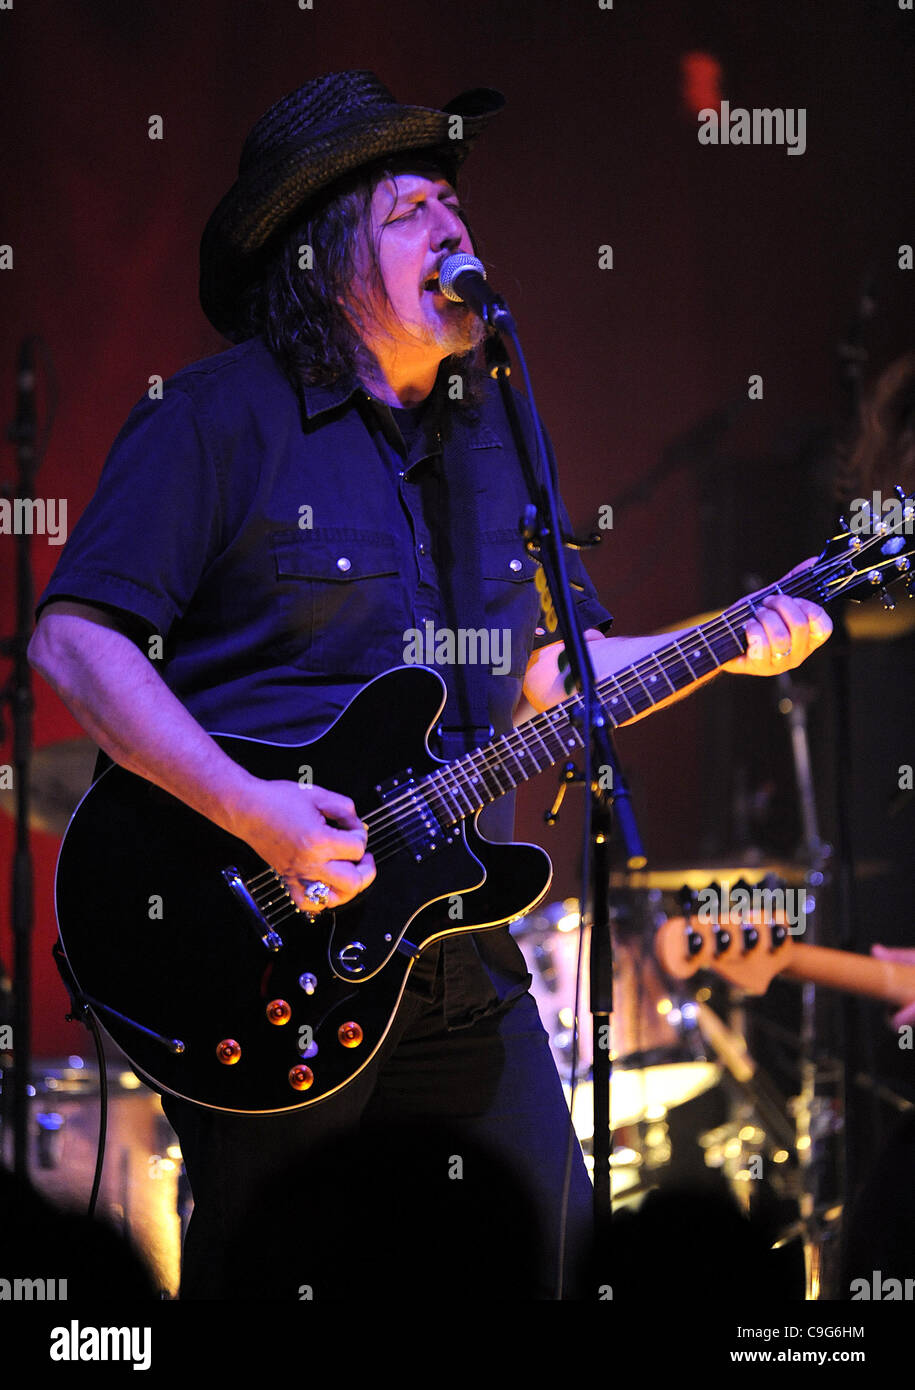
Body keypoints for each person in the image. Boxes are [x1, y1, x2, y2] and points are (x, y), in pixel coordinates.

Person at [27, 71, 832, 1300]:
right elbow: (75, 643)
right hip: (262, 950)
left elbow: (554, 676)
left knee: (557, 1265)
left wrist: (734, 635)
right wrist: (257, 813)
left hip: (458, 950)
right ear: (320, 254)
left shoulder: (493, 434)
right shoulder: (216, 421)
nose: (453, 223)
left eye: (455, 200)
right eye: (410, 208)